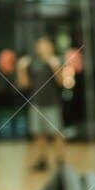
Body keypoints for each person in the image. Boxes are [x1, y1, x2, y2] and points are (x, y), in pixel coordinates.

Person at [17, 36, 67, 172]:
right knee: (39, 133)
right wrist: (21, 69)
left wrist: (55, 67)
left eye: (45, 44)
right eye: (39, 45)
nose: (42, 47)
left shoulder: (58, 61)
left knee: (56, 132)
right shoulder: (32, 63)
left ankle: (61, 161)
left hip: (52, 103)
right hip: (35, 103)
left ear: (51, 46)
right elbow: (24, 84)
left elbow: (62, 82)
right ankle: (42, 160)